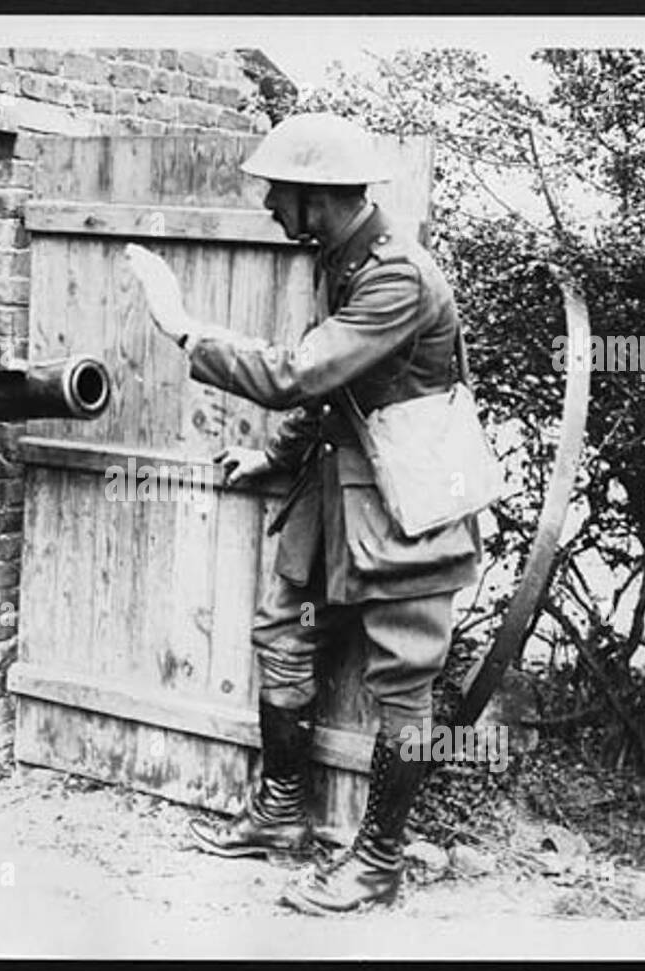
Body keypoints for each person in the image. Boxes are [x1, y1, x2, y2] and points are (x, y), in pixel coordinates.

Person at [125, 112, 481, 915]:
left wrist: (183, 327)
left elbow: (298, 372)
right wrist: (276, 458)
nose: (268, 206)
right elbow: (332, 393)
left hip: (411, 500)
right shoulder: (341, 260)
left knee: (404, 683)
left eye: (275, 191)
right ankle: (281, 812)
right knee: (283, 630)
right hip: (338, 484)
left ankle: (379, 860)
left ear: (315, 196)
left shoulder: (399, 277)